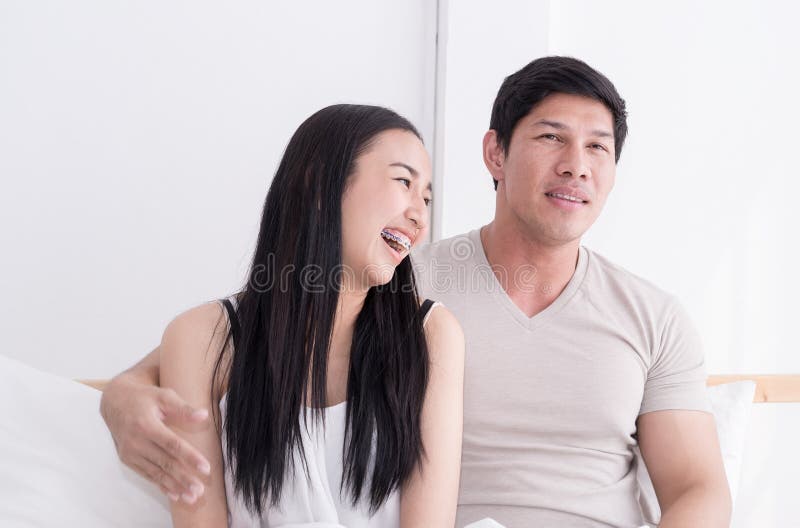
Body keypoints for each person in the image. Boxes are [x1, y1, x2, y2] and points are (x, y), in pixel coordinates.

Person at [102, 57, 731, 527]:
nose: (577, 164)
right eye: (551, 138)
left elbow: (698, 489)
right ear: (495, 153)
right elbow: (262, 324)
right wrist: (122, 395)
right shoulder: (399, 282)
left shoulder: (652, 317)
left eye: (599, 147)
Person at [112, 104, 466, 527]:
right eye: (404, 182)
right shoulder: (202, 337)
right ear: (319, 186)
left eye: (426, 197)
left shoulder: (431, 335)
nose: (419, 215)